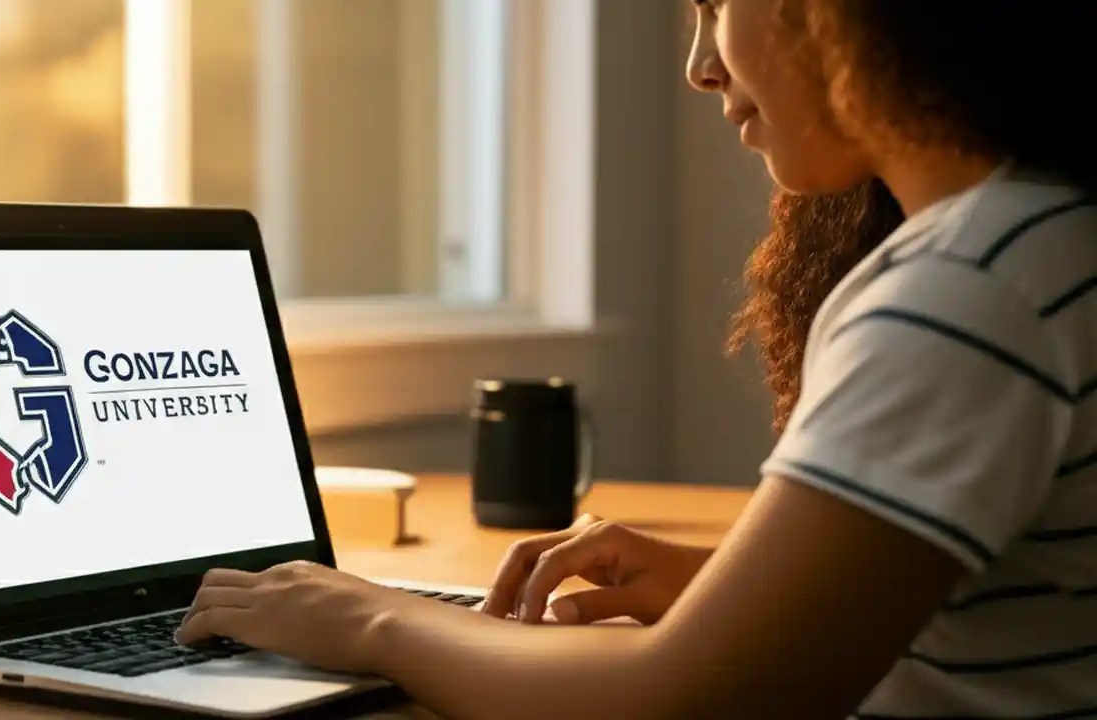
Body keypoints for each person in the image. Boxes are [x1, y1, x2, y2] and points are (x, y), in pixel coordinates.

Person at [176, 0, 1097, 716]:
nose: (701, 67)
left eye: (713, 5)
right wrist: (720, 589)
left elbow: (687, 700)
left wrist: (371, 618)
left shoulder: (967, 288)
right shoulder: (1047, 237)